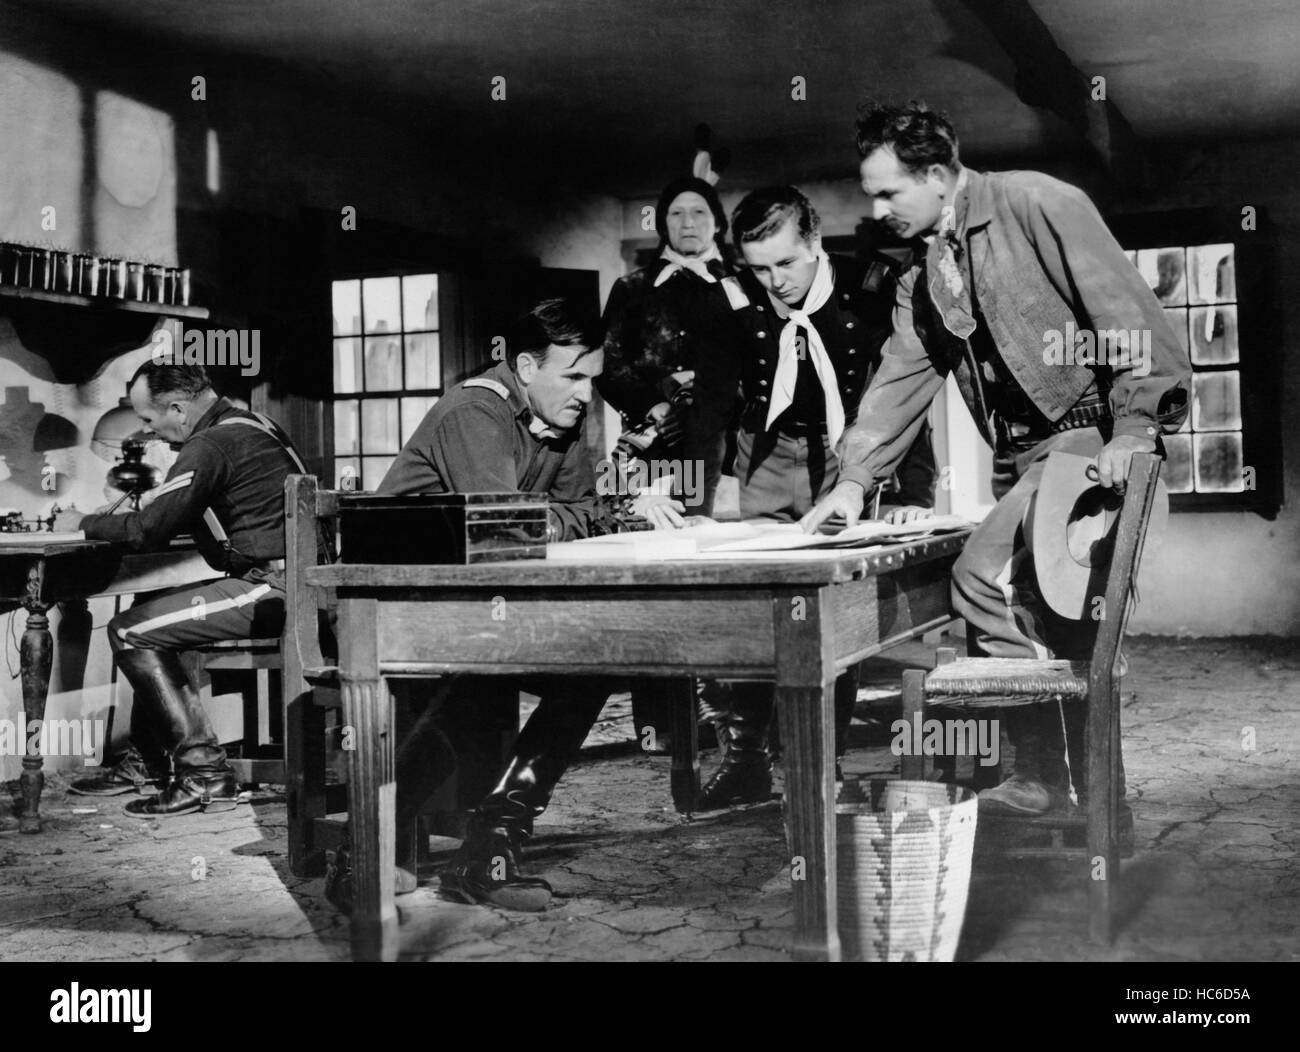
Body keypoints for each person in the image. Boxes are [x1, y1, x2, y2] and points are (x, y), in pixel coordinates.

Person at [802, 102, 1191, 818]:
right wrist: (854, 481)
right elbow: (897, 382)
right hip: (1016, 458)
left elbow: (1127, 317)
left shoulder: (1038, 203)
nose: (879, 208)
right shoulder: (924, 277)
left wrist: (1135, 427)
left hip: (1084, 442)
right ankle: (1100, 807)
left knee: (981, 578)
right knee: (1056, 629)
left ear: (940, 173)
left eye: (890, 192)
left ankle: (1045, 778)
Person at [327, 299, 661, 914]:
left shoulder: (560, 415)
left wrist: (591, 517)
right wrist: (588, 518)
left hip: (473, 606)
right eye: (574, 376)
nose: (588, 394)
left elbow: (575, 518)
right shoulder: (476, 409)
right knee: (482, 683)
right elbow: (506, 526)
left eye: (593, 378)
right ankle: (368, 851)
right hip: (392, 609)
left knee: (595, 662)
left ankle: (489, 846)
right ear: (526, 365)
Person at [686, 186, 937, 810]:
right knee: (755, 605)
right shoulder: (729, 300)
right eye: (760, 268)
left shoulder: (876, 286)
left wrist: (913, 488)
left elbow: (908, 394)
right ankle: (746, 760)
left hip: (848, 453)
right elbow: (712, 402)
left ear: (815, 244)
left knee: (832, 609)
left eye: (786, 264)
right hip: (764, 453)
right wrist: (691, 493)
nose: (775, 281)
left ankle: (820, 763)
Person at [55, 362, 305, 816]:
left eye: (150, 421)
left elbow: (148, 531)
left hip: (275, 588)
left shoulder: (210, 443)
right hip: (297, 581)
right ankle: (151, 763)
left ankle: (205, 777)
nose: (150, 433)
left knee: (130, 631)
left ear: (178, 408)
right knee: (151, 606)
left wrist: (82, 522)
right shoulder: (252, 422)